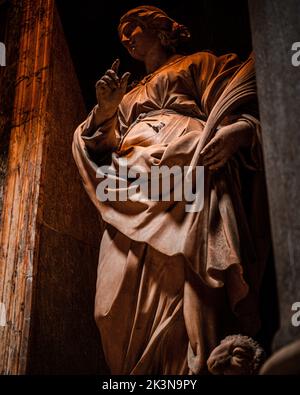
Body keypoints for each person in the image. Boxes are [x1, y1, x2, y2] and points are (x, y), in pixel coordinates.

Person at [72, 5, 270, 374]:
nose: (127, 38)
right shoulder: (127, 92)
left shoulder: (200, 63)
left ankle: (195, 366)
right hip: (128, 184)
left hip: (188, 166)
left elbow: (242, 101)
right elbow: (96, 147)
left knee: (187, 273)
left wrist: (240, 129)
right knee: (108, 308)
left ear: (160, 30)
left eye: (134, 28)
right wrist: (105, 111)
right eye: (122, 35)